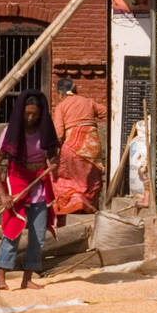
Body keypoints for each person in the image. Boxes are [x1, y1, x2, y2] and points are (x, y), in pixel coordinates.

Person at [0, 91, 59, 291]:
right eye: (27, 114)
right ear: (20, 112)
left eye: (35, 114)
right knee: (12, 230)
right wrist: (3, 195)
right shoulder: (10, 132)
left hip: (38, 184)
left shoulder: (45, 131)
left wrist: (53, 165)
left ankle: (27, 278)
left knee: (38, 234)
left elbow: (53, 160)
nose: (30, 118)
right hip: (17, 183)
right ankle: (1, 276)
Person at [52, 77, 107, 217]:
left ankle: (76, 202)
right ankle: (86, 203)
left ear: (60, 93)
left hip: (73, 146)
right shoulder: (88, 102)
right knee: (88, 180)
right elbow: (107, 112)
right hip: (93, 146)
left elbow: (59, 133)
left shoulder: (61, 107)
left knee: (63, 178)